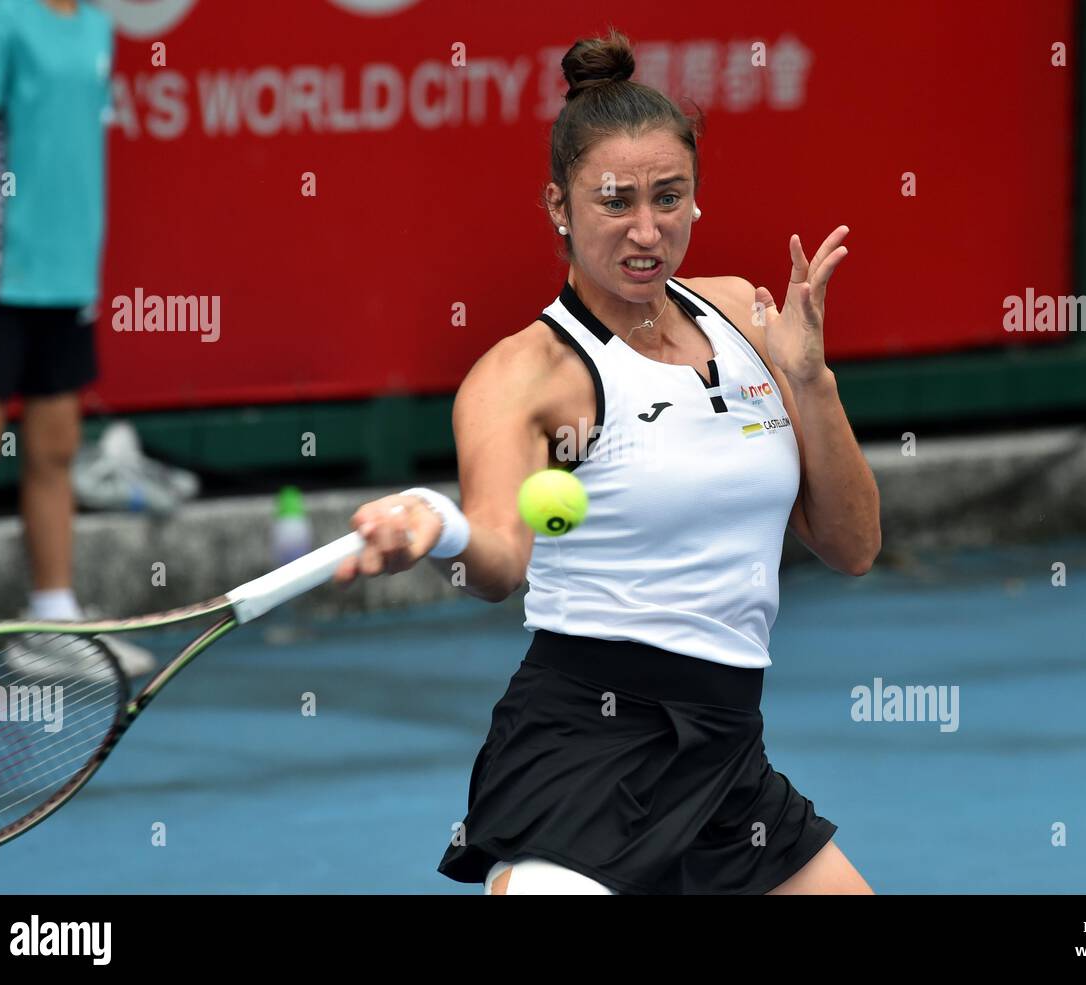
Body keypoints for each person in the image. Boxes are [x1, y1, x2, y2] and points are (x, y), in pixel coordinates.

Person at [334, 29, 880, 894]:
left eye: (670, 197)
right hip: (583, 750)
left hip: (729, 753)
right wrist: (438, 528)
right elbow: (499, 564)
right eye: (614, 201)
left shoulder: (748, 316)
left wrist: (811, 381)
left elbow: (851, 547)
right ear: (559, 204)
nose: (646, 230)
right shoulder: (525, 376)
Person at [0, 0, 153, 680]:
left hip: (68, 281)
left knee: (55, 450)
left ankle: (50, 619)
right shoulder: (0, 25)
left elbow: (73, 151)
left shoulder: (97, 28)